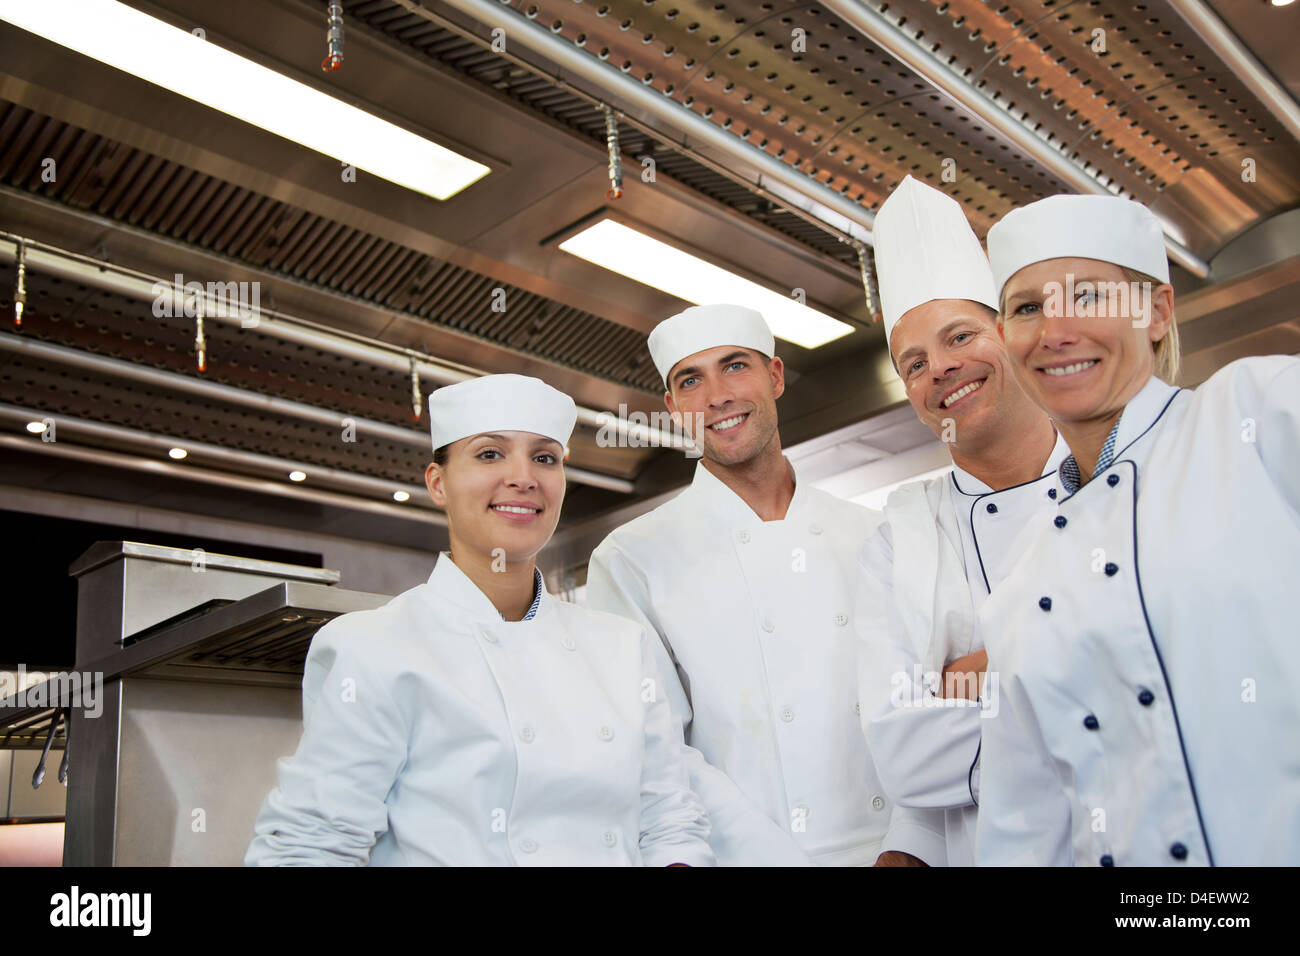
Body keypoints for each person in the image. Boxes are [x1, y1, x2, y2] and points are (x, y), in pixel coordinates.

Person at [245, 373, 714, 866]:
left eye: (545, 457)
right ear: (437, 483)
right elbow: (308, 846)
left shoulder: (621, 648)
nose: (524, 477)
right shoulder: (374, 646)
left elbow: (669, 822)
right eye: (490, 454)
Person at [975, 193, 1300, 866]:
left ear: (1155, 311)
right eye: (1027, 307)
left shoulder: (1256, 411)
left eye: (1087, 296)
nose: (1054, 331)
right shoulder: (1020, 586)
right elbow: (1026, 828)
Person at [586, 304, 939, 866]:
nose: (718, 396)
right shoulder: (632, 559)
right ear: (674, 409)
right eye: (690, 380)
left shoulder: (875, 534)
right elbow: (655, 748)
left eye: (735, 366)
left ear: (775, 377)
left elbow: (925, 700)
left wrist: (912, 842)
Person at [855, 176, 1071, 867]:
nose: (941, 368)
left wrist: (986, 673)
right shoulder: (900, 537)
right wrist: (1074, 677)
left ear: (1007, 334)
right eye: (913, 363)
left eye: (960, 336)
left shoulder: (1119, 475)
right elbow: (904, 756)